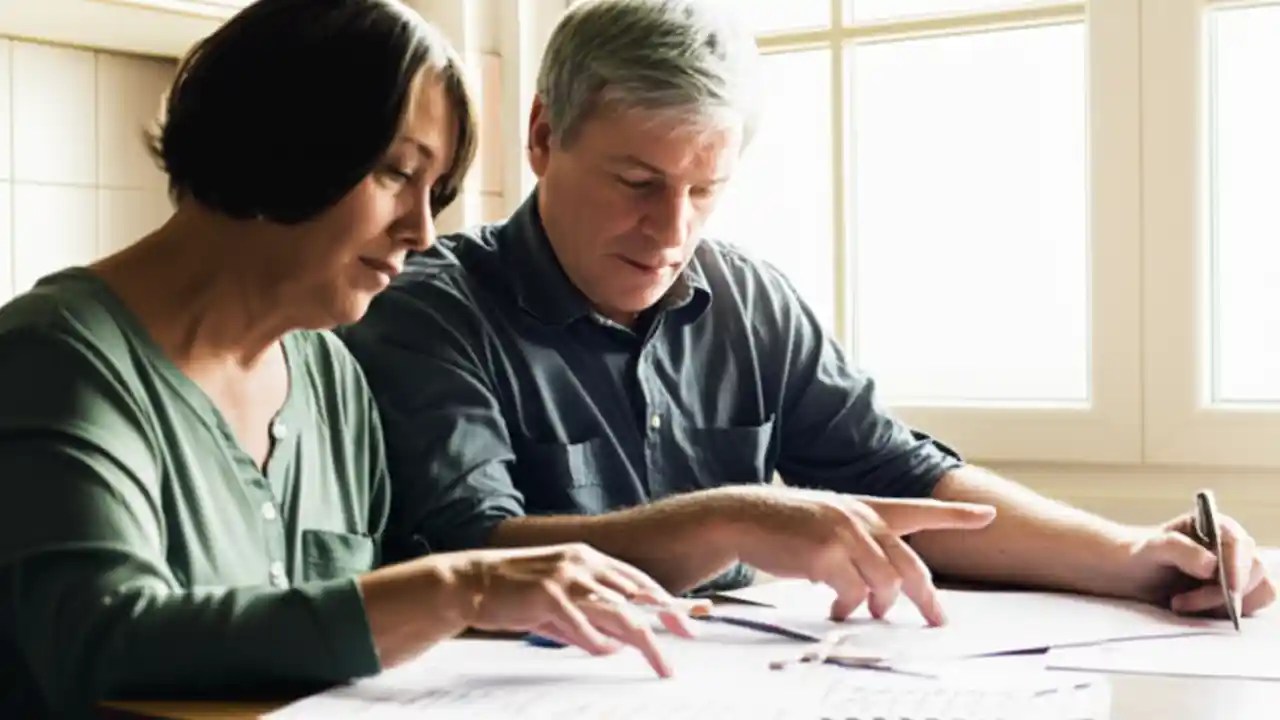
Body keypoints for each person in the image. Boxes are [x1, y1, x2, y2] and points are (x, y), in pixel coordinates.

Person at [342, 0, 1275, 631]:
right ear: (544, 137)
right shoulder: (430, 310)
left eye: (706, 190)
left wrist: (1138, 558)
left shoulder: (749, 299)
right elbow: (466, 554)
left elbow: (906, 483)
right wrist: (731, 522)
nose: (672, 230)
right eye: (638, 183)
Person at [0, 1, 691, 716]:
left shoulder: (332, 378)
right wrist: (468, 585)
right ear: (277, 138)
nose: (422, 231)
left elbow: (376, 632)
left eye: (437, 191)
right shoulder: (53, 361)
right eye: (398, 173)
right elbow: (105, 642)